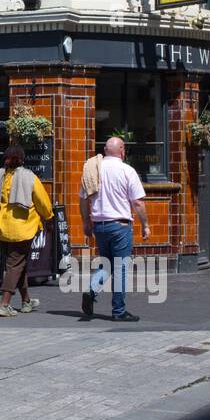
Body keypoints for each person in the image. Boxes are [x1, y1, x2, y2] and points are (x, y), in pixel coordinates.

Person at [0, 144, 54, 317]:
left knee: (18, 265)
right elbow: (43, 203)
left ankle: (26, 301)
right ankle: (4, 304)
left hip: (2, 229)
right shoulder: (29, 177)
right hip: (22, 229)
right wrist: (49, 219)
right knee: (14, 266)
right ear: (22, 159)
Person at [77, 137, 150, 322]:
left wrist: (86, 222)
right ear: (122, 150)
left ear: (105, 150)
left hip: (100, 226)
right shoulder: (127, 170)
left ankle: (92, 288)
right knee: (120, 269)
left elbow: (83, 199)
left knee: (106, 264)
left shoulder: (93, 170)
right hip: (120, 226)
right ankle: (119, 311)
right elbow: (138, 202)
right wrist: (145, 225)